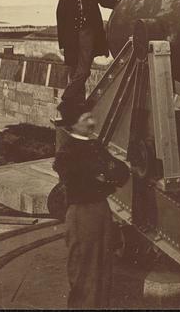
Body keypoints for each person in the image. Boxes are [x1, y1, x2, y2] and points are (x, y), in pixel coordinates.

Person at [52, 111, 129, 308]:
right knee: (84, 269)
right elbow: (77, 180)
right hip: (82, 213)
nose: (92, 122)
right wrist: (103, 177)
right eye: (85, 118)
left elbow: (121, 172)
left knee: (103, 266)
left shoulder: (94, 146)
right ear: (73, 124)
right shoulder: (67, 152)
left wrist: (103, 177)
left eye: (92, 117)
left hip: (101, 209)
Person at [56, 0, 122, 118]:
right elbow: (61, 22)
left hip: (88, 36)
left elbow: (109, 1)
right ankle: (77, 107)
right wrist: (62, 45)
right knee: (75, 72)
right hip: (71, 40)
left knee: (83, 71)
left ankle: (66, 99)